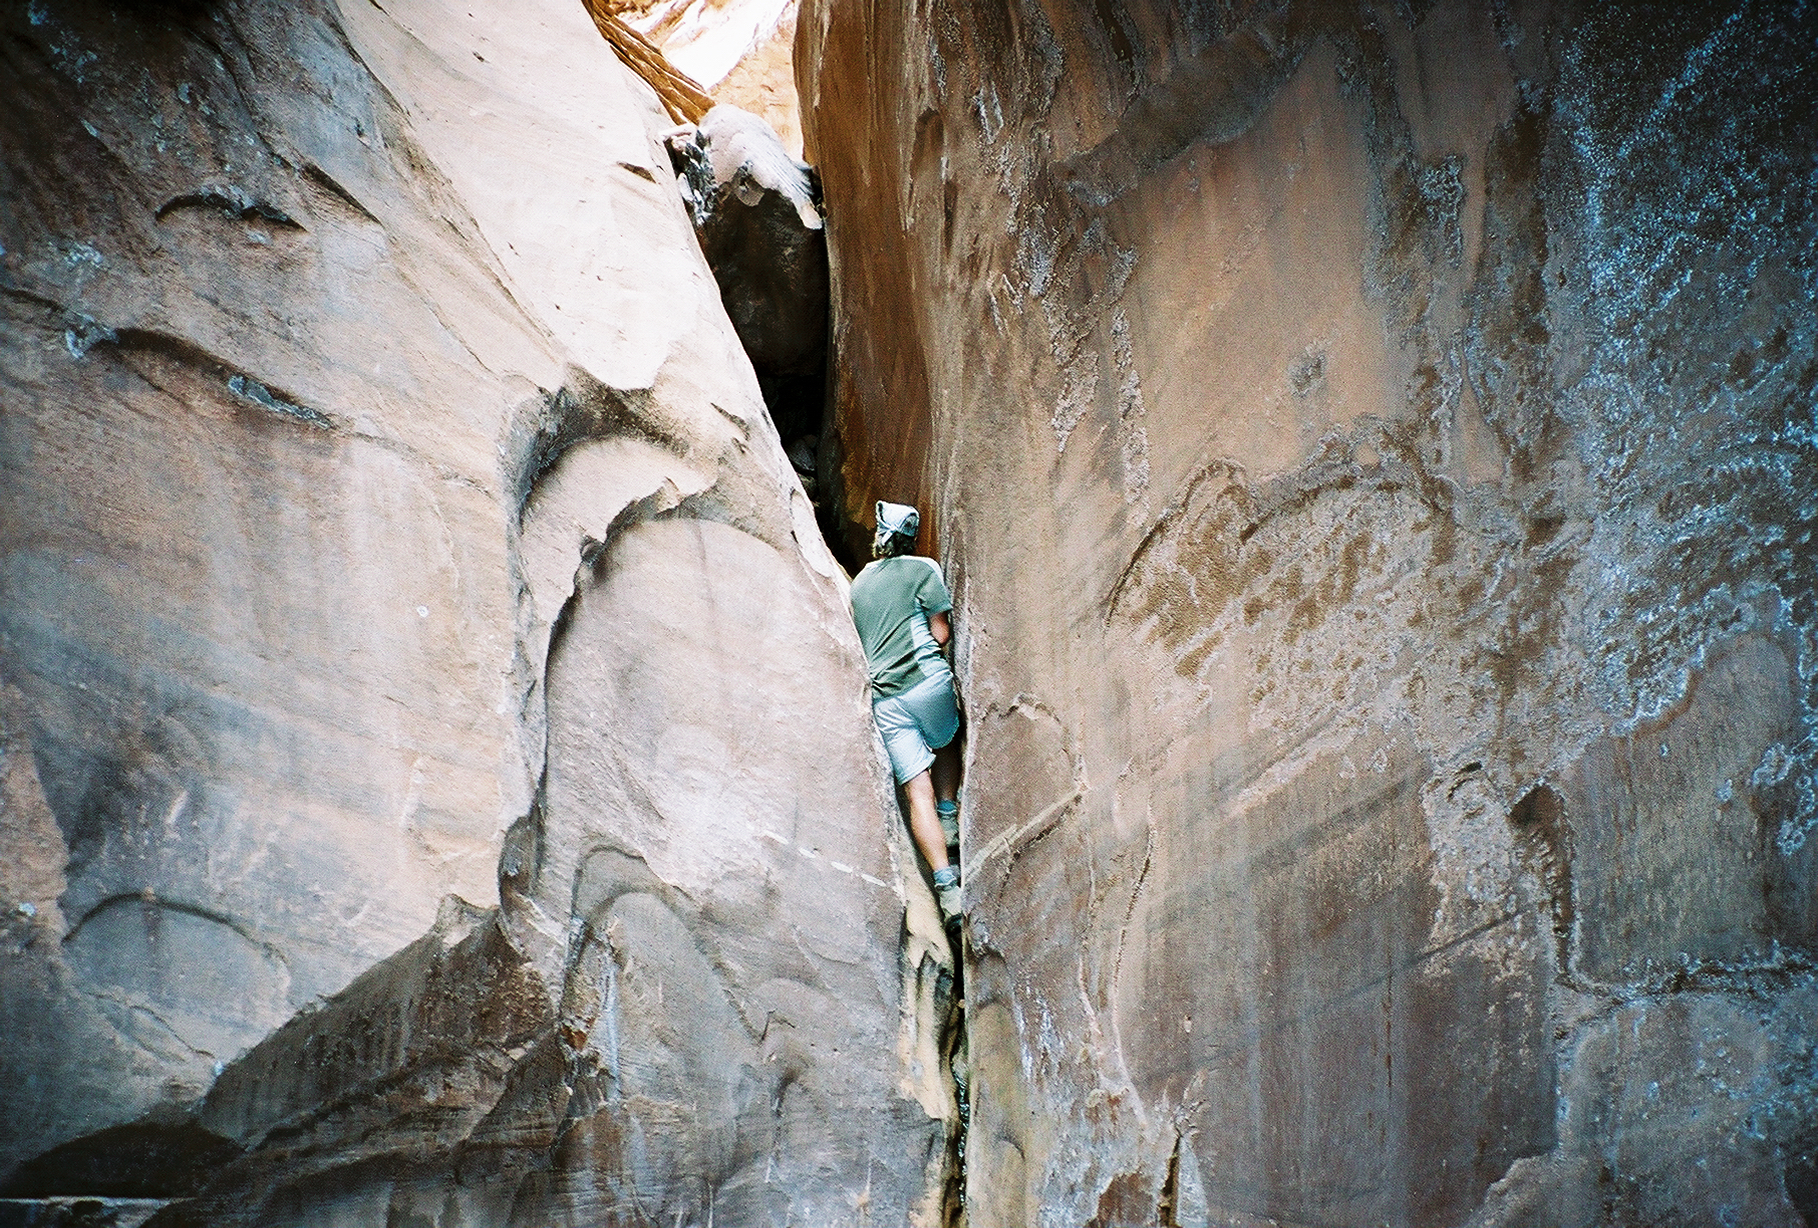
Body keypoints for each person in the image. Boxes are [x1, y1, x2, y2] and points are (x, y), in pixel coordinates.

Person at [850, 500, 965, 928]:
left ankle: (946, 889)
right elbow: (940, 632)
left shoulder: (859, 585)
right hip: (926, 680)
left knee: (917, 793)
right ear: (910, 536)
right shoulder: (924, 568)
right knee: (948, 737)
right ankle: (951, 816)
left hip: (886, 701)